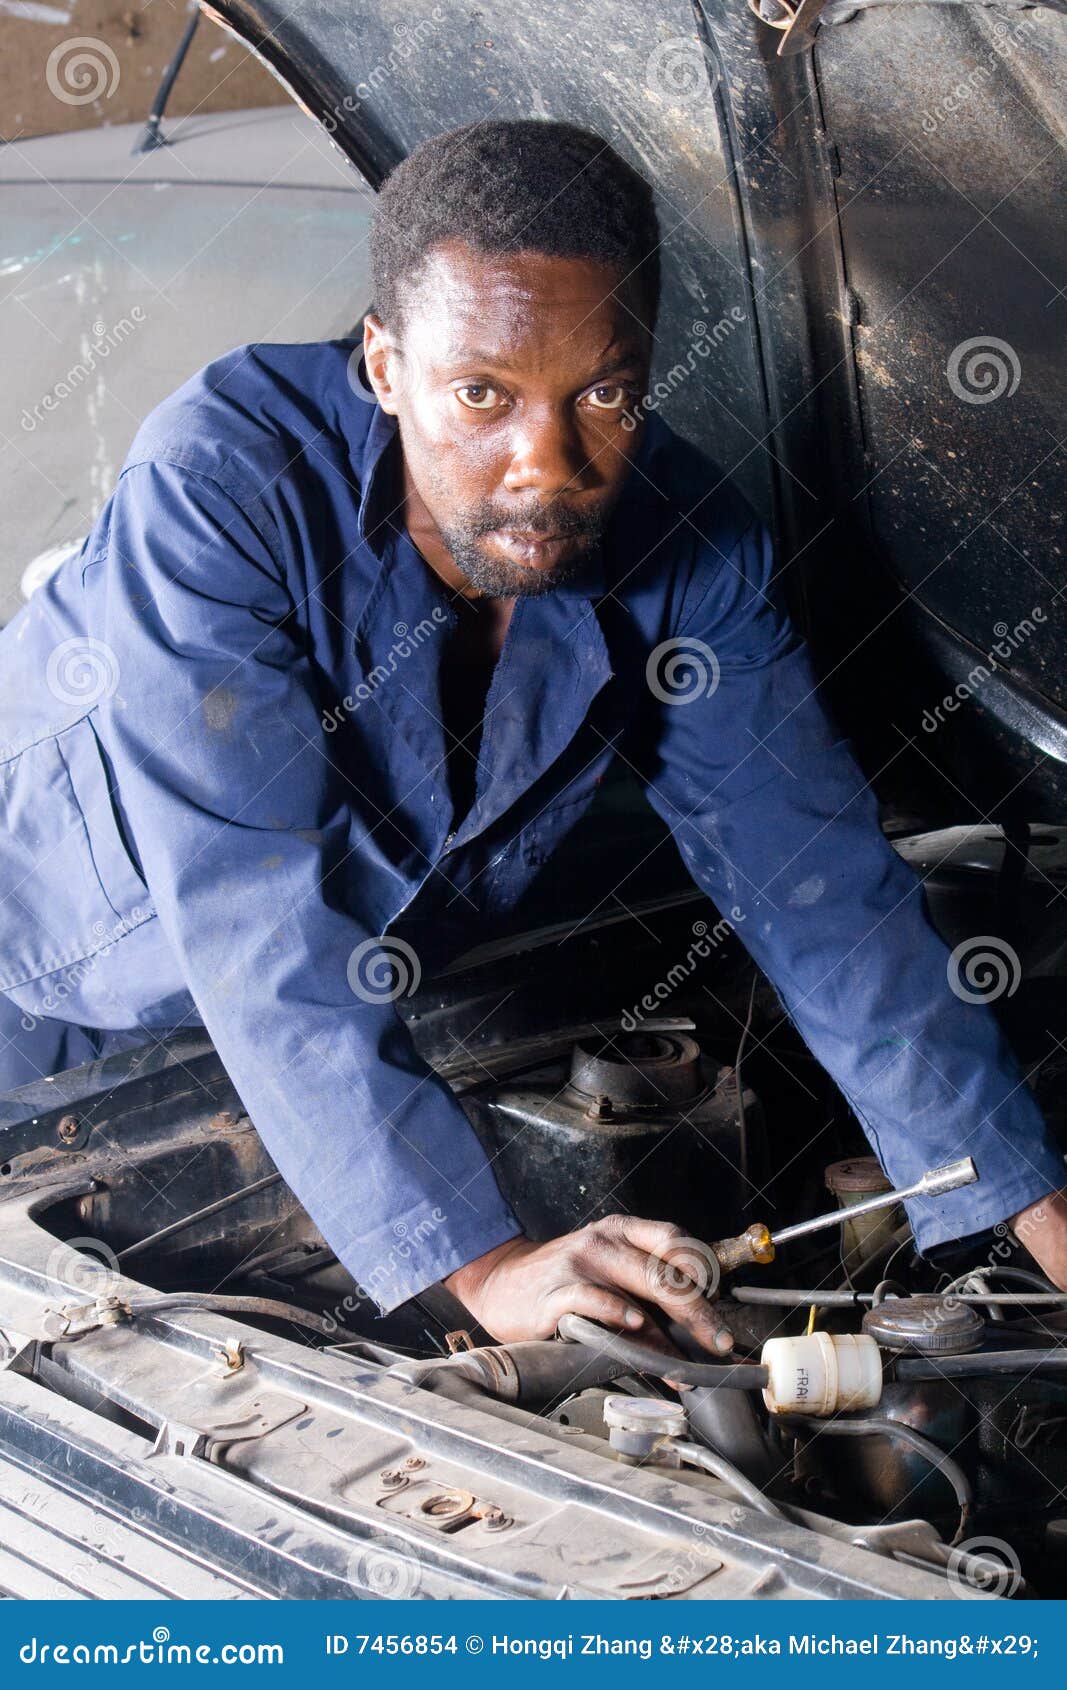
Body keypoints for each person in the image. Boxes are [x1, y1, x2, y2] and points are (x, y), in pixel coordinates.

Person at [1, 119, 1064, 1349]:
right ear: (385, 367)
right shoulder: (226, 485)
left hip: (337, 1045)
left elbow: (810, 875)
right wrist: (487, 1263)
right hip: (41, 1013)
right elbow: (248, 906)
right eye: (480, 395)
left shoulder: (686, 542)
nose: (545, 463)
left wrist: (1027, 1198)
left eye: (601, 391)